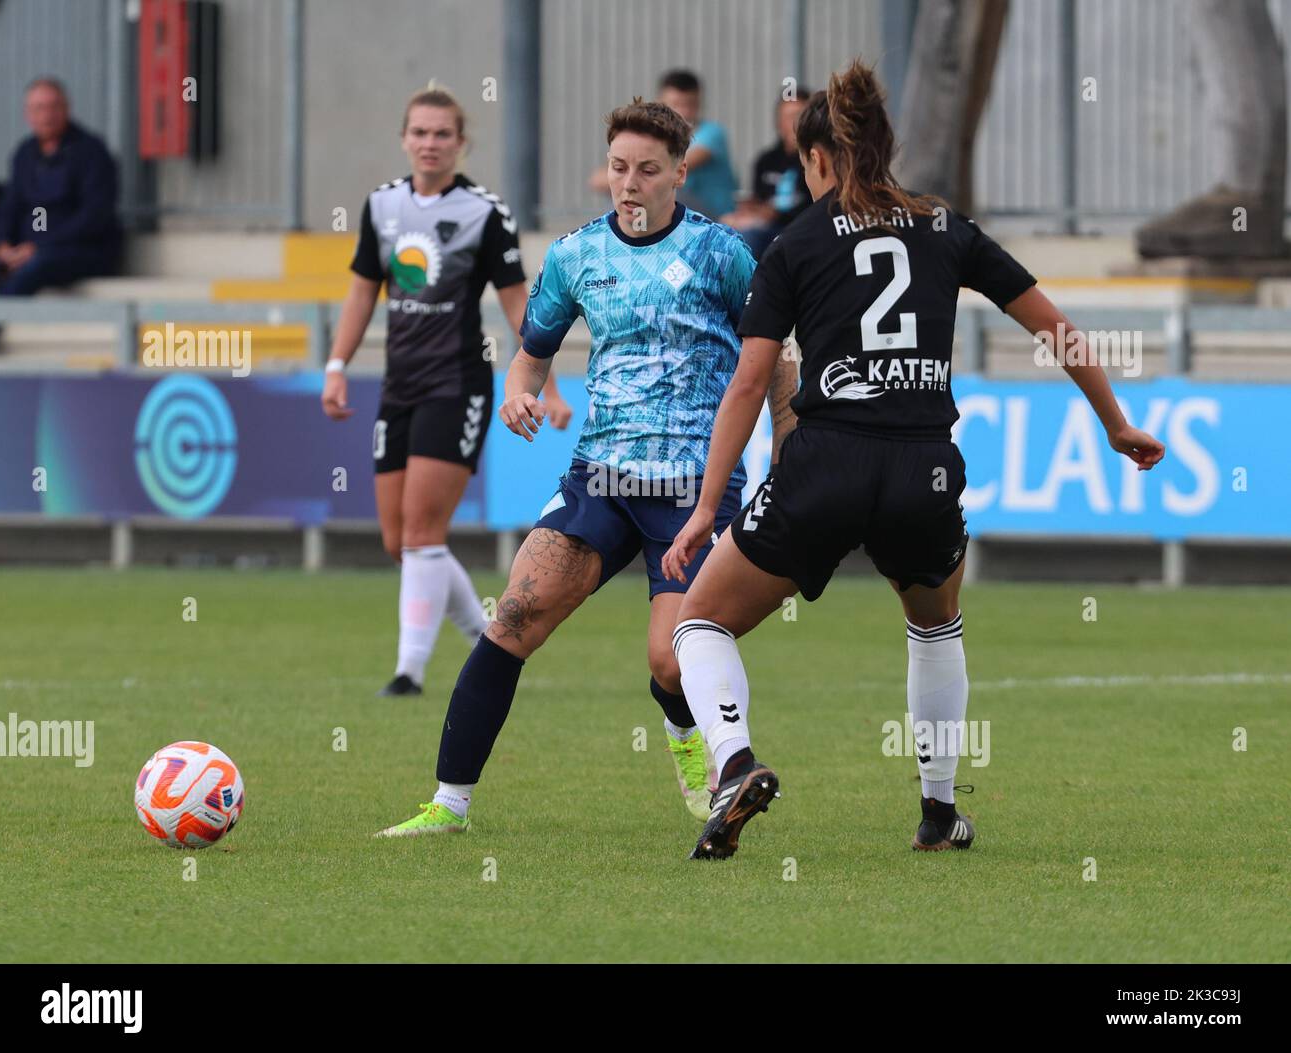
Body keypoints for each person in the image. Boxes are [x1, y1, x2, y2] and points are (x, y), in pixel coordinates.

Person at [661, 61, 1167, 861]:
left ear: (820, 158)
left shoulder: (793, 245)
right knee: (933, 626)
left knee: (699, 620)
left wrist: (703, 507)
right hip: (923, 467)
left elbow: (750, 382)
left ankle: (735, 764)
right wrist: (1116, 422)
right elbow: (1057, 327)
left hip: (825, 462)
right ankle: (938, 811)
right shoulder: (945, 227)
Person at [375, 97, 797, 837]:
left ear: (679, 174)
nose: (628, 183)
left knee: (670, 661)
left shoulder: (723, 255)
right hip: (600, 480)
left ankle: (686, 736)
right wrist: (518, 398)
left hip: (694, 491)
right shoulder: (575, 256)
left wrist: (790, 454)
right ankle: (448, 805)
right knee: (512, 617)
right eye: (618, 168)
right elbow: (528, 361)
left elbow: (773, 365)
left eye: (646, 170)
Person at [321, 85, 572, 698]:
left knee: (421, 534)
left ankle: (408, 672)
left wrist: (552, 386)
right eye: (421, 132)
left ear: (462, 143)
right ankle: (486, 639)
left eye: (443, 134)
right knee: (398, 541)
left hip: (457, 385)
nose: (430, 143)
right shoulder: (381, 207)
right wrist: (335, 364)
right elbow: (361, 291)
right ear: (404, 138)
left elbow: (521, 305)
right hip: (398, 386)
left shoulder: (485, 213)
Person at [0, 77, 121, 297]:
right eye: (39, 108)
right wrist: (3, 245)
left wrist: (38, 247)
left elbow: (94, 216)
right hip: (28, 251)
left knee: (33, 268)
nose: (47, 115)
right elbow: (10, 206)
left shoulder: (91, 151)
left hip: (81, 250)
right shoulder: (24, 154)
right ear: (28, 114)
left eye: (54, 107)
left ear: (66, 109)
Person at [588, 70, 737, 221]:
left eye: (690, 105)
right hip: (679, 211)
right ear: (660, 104)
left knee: (660, 191)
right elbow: (597, 180)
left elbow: (669, 167)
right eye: (675, 105)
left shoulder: (712, 134)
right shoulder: (652, 141)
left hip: (710, 214)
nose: (683, 112)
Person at [722, 92, 812, 259]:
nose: (794, 123)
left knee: (751, 236)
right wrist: (749, 210)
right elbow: (759, 198)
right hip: (767, 227)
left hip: (801, 228)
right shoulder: (766, 160)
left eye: (800, 116)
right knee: (725, 228)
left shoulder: (817, 159)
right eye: (788, 117)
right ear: (778, 123)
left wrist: (774, 213)